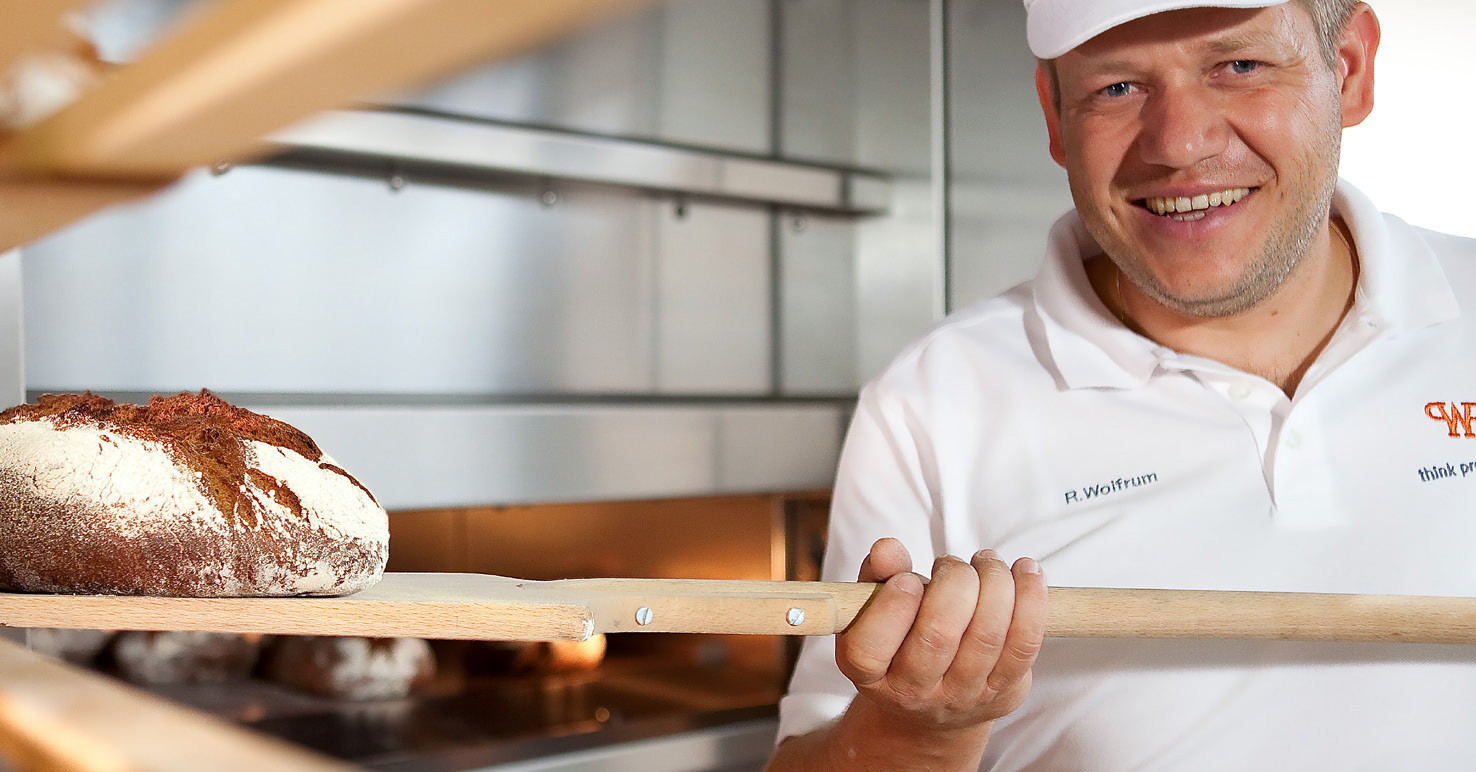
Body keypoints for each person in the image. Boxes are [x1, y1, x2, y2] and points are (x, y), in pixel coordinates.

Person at [767, 0, 1476, 769]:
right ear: (1053, 114)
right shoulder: (932, 402)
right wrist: (916, 735)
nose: (1178, 144)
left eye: (1239, 66)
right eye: (1116, 88)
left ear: (1350, 69)